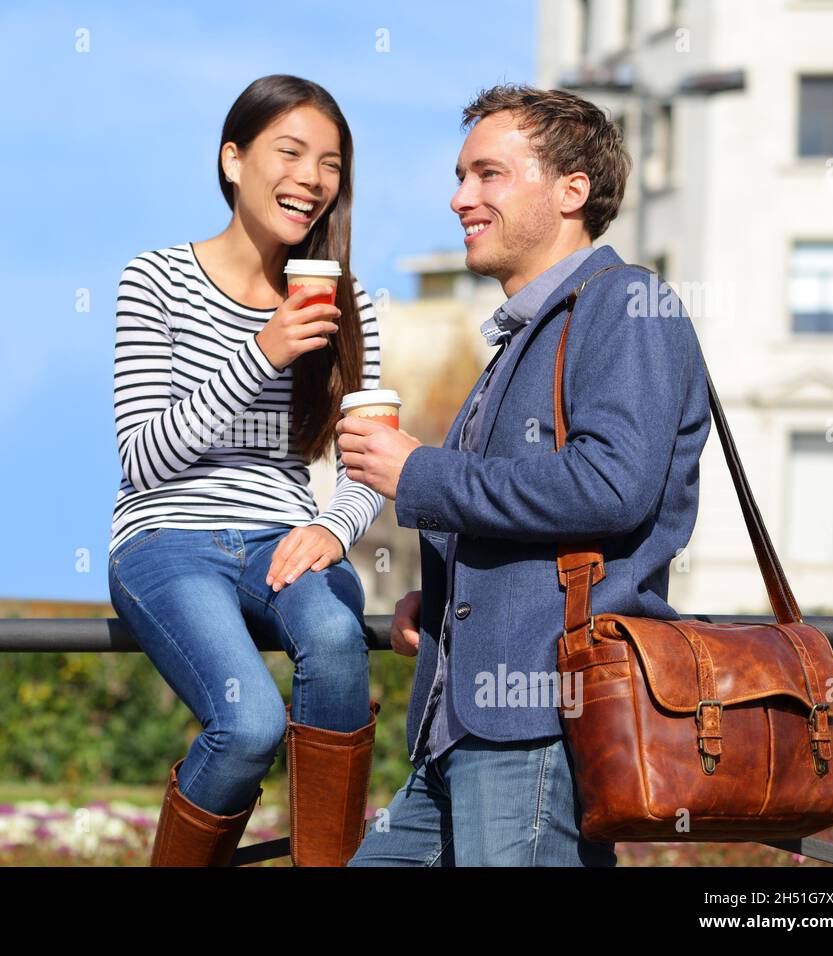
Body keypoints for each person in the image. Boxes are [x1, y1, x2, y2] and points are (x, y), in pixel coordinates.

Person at [337, 84, 712, 866]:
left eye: (488, 175)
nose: (458, 197)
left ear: (572, 191)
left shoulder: (625, 303)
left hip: (542, 721)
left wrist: (419, 471)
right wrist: (445, 600)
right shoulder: (525, 336)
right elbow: (530, 513)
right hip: (465, 733)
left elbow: (612, 485)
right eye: (460, 175)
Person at [108, 74, 387, 867]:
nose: (312, 179)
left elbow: (370, 458)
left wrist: (333, 529)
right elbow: (146, 456)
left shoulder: (348, 302)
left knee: (337, 639)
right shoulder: (154, 278)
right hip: (167, 538)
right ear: (233, 160)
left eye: (331, 163)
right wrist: (262, 350)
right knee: (250, 723)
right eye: (290, 152)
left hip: (286, 538)